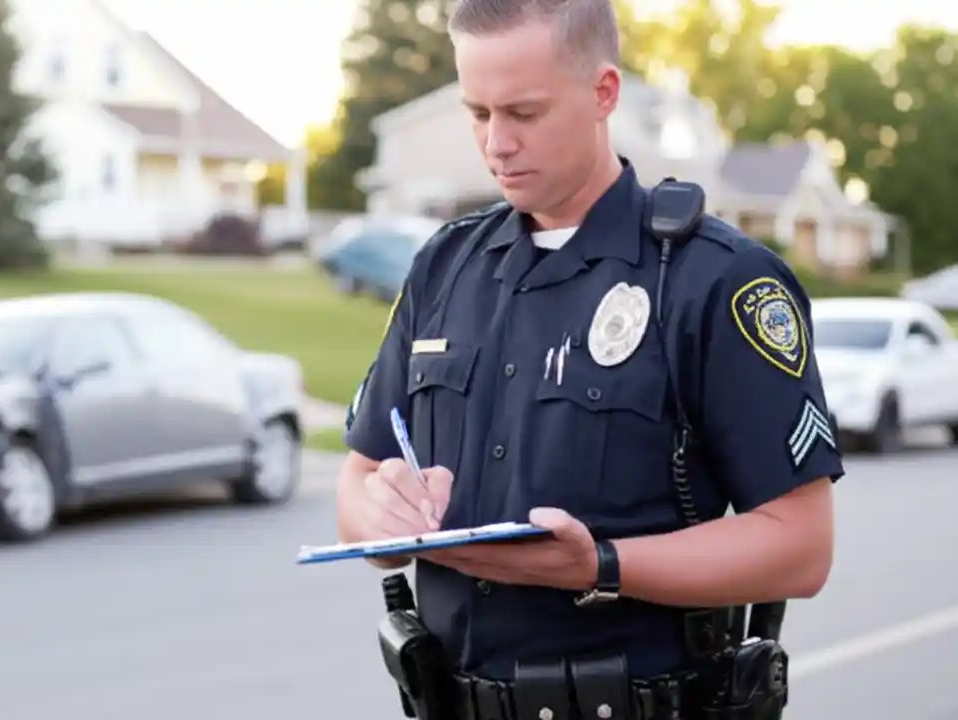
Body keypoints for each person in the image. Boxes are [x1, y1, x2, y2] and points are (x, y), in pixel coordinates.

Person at [335, 0, 843, 717]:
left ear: (604, 92)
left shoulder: (713, 281)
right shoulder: (444, 269)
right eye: (478, 113)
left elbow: (802, 546)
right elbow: (358, 477)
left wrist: (602, 566)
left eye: (524, 113)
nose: (496, 143)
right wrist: (381, 518)